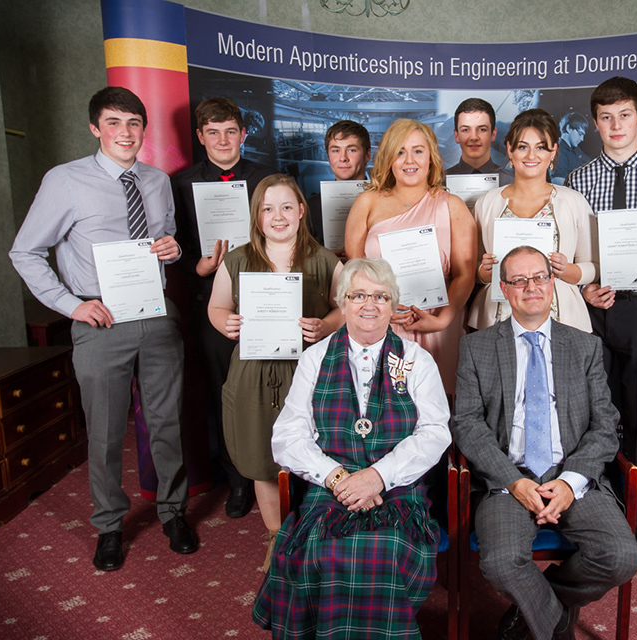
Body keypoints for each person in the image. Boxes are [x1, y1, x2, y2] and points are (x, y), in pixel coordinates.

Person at [9, 86, 195, 572]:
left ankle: (174, 512)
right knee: (107, 431)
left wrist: (171, 250)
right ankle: (109, 525)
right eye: (114, 122)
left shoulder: (156, 180)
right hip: (102, 321)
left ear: (143, 129)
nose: (126, 132)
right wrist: (70, 305)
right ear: (96, 128)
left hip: (155, 315)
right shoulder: (65, 181)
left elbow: (165, 238)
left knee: (168, 423)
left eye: (134, 123)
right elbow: (25, 252)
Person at [252, 258, 452, 639]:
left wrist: (378, 476)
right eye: (358, 295)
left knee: (385, 549)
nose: (369, 304)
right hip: (332, 490)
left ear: (393, 305)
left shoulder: (415, 360)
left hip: (397, 492)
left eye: (380, 296)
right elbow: (288, 435)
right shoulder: (314, 359)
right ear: (342, 302)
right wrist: (338, 477)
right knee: (321, 550)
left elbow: (434, 433)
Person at [453, 246, 637, 640]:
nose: (531, 287)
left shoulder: (585, 346)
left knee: (622, 556)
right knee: (502, 562)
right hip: (508, 478)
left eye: (539, 277)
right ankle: (556, 625)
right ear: (504, 289)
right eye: (519, 280)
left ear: (552, 283)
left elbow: (606, 423)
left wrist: (572, 480)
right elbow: (467, 424)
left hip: (572, 472)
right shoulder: (477, 347)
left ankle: (534, 609)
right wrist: (514, 480)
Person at [564, 76, 637, 549]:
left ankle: (635, 515)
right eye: (606, 117)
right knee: (595, 410)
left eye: (624, 116)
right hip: (593, 307)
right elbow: (572, 250)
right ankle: (594, 506)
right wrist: (586, 288)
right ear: (596, 123)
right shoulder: (577, 179)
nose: (616, 125)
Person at [208, 174, 343, 571]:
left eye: (286, 207)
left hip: (311, 371)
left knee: (318, 453)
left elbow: (343, 307)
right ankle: (276, 537)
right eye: (267, 208)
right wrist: (225, 323)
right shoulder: (237, 259)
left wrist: (326, 325)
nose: (277, 216)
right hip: (253, 373)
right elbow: (216, 307)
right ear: (257, 215)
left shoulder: (324, 259)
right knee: (261, 456)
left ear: (302, 211)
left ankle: (319, 532)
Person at [172, 97, 269, 519]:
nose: (223, 139)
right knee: (224, 394)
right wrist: (198, 265)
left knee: (271, 390)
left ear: (244, 134)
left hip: (268, 302)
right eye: (213, 132)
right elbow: (171, 247)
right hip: (213, 302)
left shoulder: (268, 179)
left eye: (231, 131)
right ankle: (237, 481)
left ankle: (275, 473)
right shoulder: (181, 184)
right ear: (200, 137)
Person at [345, 118, 477, 394]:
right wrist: (377, 312)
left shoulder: (451, 206)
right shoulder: (367, 203)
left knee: (437, 410)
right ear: (389, 158)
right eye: (400, 151)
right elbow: (355, 272)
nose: (409, 160)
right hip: (380, 323)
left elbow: (465, 274)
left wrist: (443, 318)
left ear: (431, 156)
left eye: (418, 150)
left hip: (437, 322)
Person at [469, 108, 599, 333]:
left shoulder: (574, 201)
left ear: (553, 151)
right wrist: (484, 272)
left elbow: (593, 267)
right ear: (510, 150)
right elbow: (473, 270)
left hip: (561, 323)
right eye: (522, 147)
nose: (531, 156)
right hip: (497, 323)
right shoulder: (486, 203)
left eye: (541, 147)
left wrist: (565, 269)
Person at [305, 119, 372, 246]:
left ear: (367, 155)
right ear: (328, 156)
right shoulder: (311, 208)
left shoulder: (387, 200)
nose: (343, 158)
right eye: (335, 151)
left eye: (351, 150)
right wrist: (325, 257)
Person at [446, 97, 514, 186]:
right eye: (466, 130)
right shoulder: (439, 183)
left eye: (482, 129)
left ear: (493, 134)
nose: (474, 137)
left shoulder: (512, 182)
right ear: (456, 136)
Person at [554, 111, 592, 181]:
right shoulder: (559, 151)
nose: (582, 139)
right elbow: (557, 180)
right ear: (569, 128)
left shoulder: (575, 149)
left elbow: (590, 162)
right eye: (580, 134)